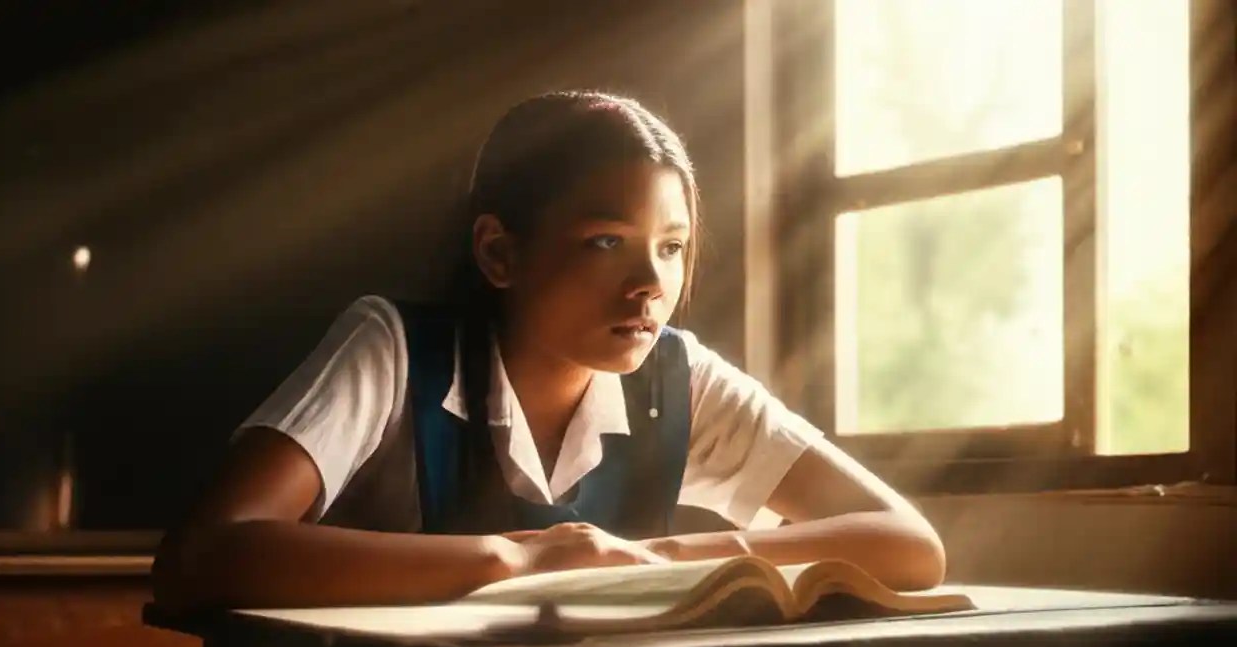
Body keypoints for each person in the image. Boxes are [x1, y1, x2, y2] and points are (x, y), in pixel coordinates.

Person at [151, 90, 946, 612]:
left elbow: (907, 543)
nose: (649, 285)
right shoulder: (395, 349)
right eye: (607, 241)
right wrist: (516, 559)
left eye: (671, 248)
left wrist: (655, 556)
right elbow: (206, 553)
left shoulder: (679, 375)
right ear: (499, 253)